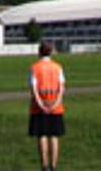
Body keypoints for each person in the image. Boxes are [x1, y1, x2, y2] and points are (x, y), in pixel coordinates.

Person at [29, 41, 65, 171]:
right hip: (56, 105)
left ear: (39, 51)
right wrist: (56, 102)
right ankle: (54, 166)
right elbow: (61, 87)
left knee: (42, 135)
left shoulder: (34, 67)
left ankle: (44, 166)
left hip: (39, 107)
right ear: (51, 52)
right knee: (54, 136)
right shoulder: (58, 67)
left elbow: (34, 88)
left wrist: (40, 104)